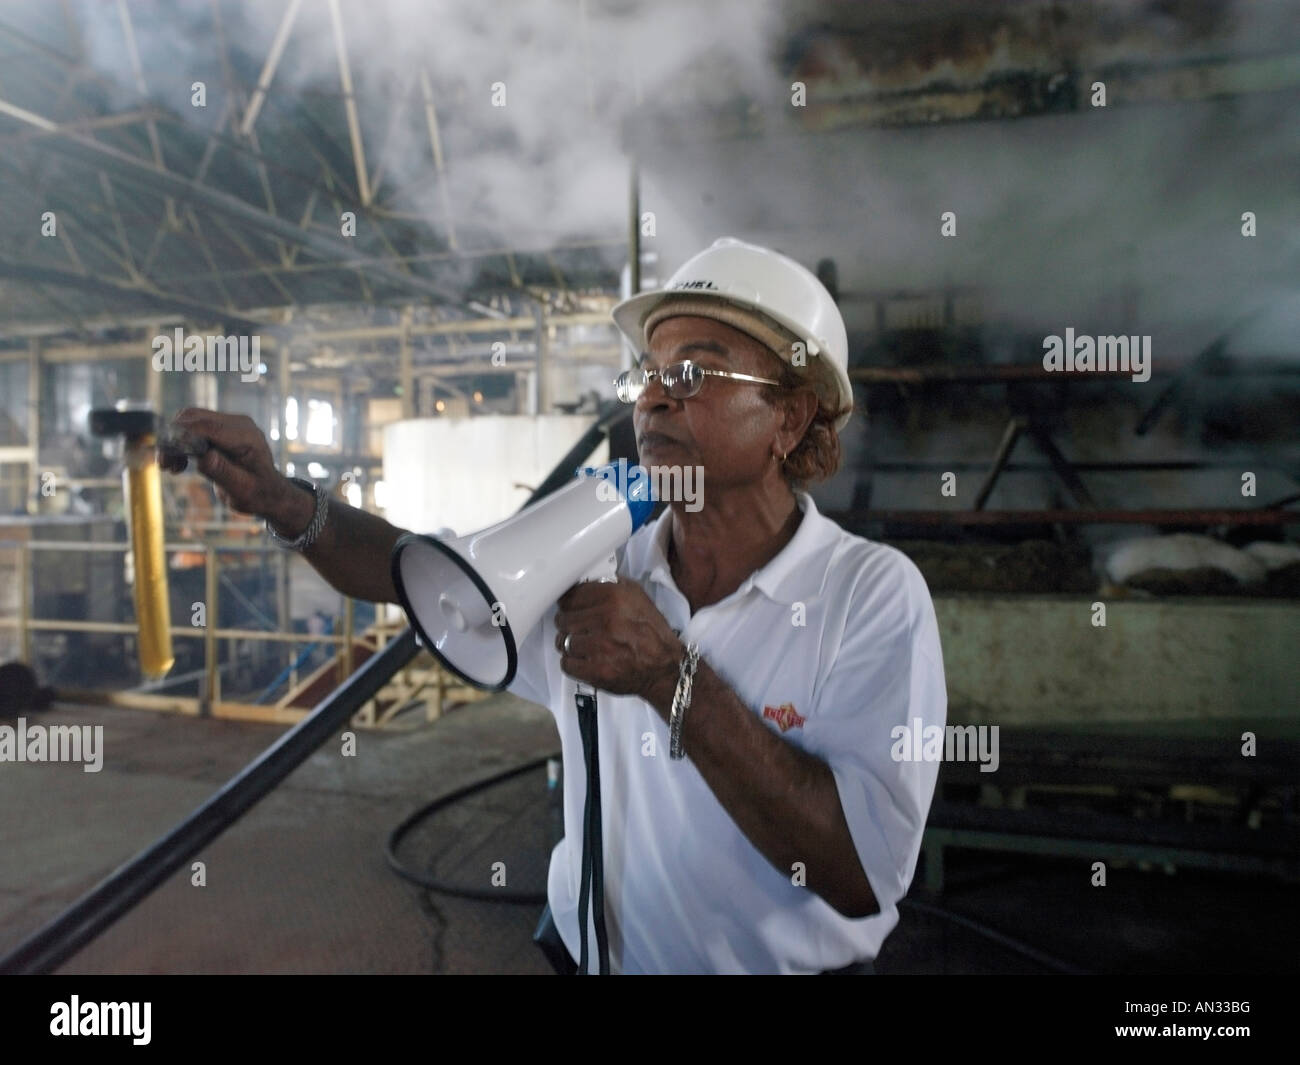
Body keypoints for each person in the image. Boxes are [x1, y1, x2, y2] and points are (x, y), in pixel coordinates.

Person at [166, 237, 947, 974]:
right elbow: (416, 571)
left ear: (791, 416)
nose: (651, 400)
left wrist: (671, 679)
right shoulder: (599, 559)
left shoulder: (869, 595)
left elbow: (859, 872)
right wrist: (282, 499)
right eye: (646, 373)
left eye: (692, 374)